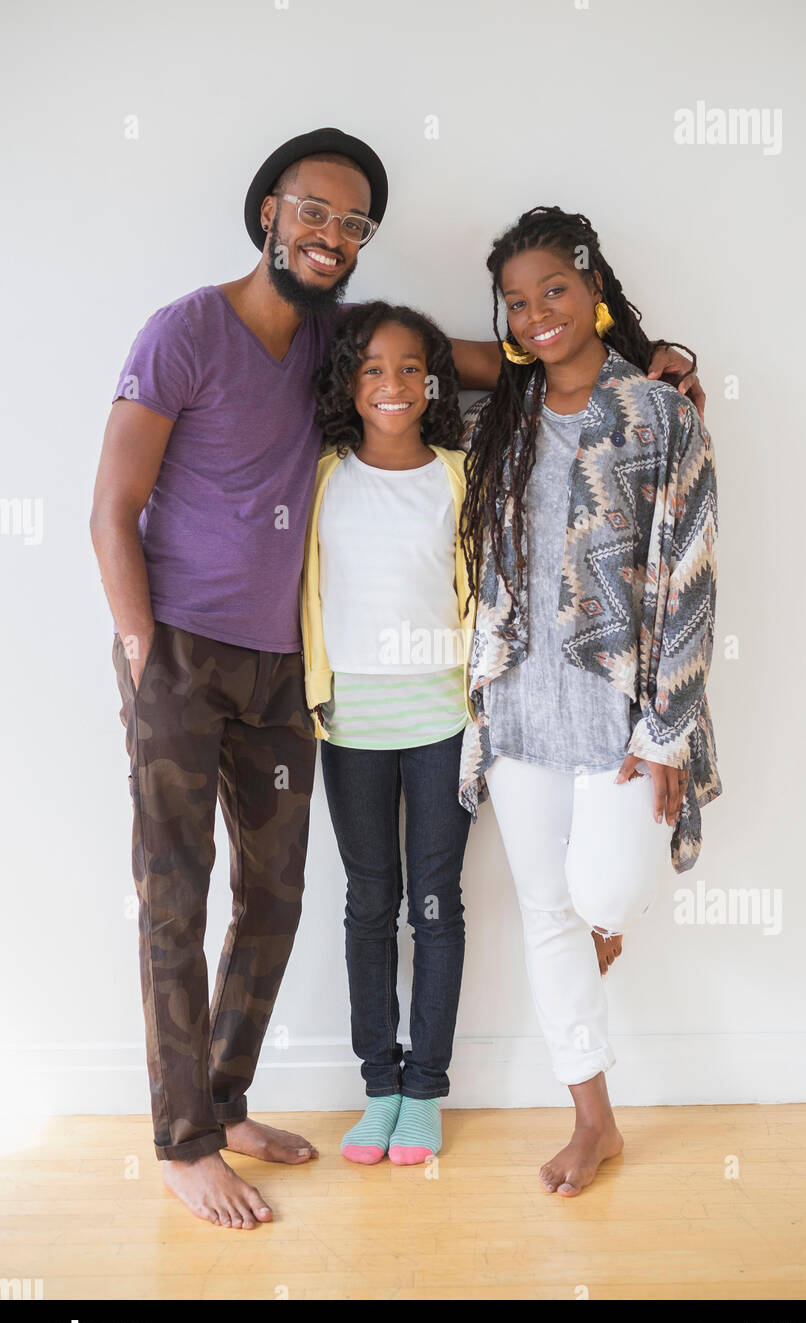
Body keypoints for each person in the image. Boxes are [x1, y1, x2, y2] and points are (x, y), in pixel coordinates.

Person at [90, 119, 706, 1227]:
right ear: (267, 211)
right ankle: (183, 1141)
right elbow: (110, 508)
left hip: (286, 673)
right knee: (175, 897)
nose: (330, 233)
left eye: (352, 221)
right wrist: (140, 651)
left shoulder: (337, 341)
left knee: (272, 899)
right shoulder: (185, 329)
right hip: (180, 655)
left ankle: (224, 1103)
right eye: (311, 210)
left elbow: (497, 354)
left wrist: (644, 354)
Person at [457, 206, 722, 1198]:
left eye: (553, 293)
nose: (536, 318)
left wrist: (665, 731)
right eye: (516, 305)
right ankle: (592, 1118)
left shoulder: (659, 414)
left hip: (621, 718)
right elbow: (382, 363)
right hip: (521, 711)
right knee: (542, 917)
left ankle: (596, 934)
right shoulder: (506, 418)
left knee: (599, 895)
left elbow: (688, 577)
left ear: (593, 288)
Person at [301, 301, 473, 1165]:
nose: (392, 384)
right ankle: (379, 1083)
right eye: (372, 368)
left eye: (410, 367)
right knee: (371, 905)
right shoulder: (324, 475)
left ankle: (426, 1090)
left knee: (434, 906)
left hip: (443, 718)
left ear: (434, 382)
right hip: (353, 721)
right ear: (348, 384)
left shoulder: (457, 475)